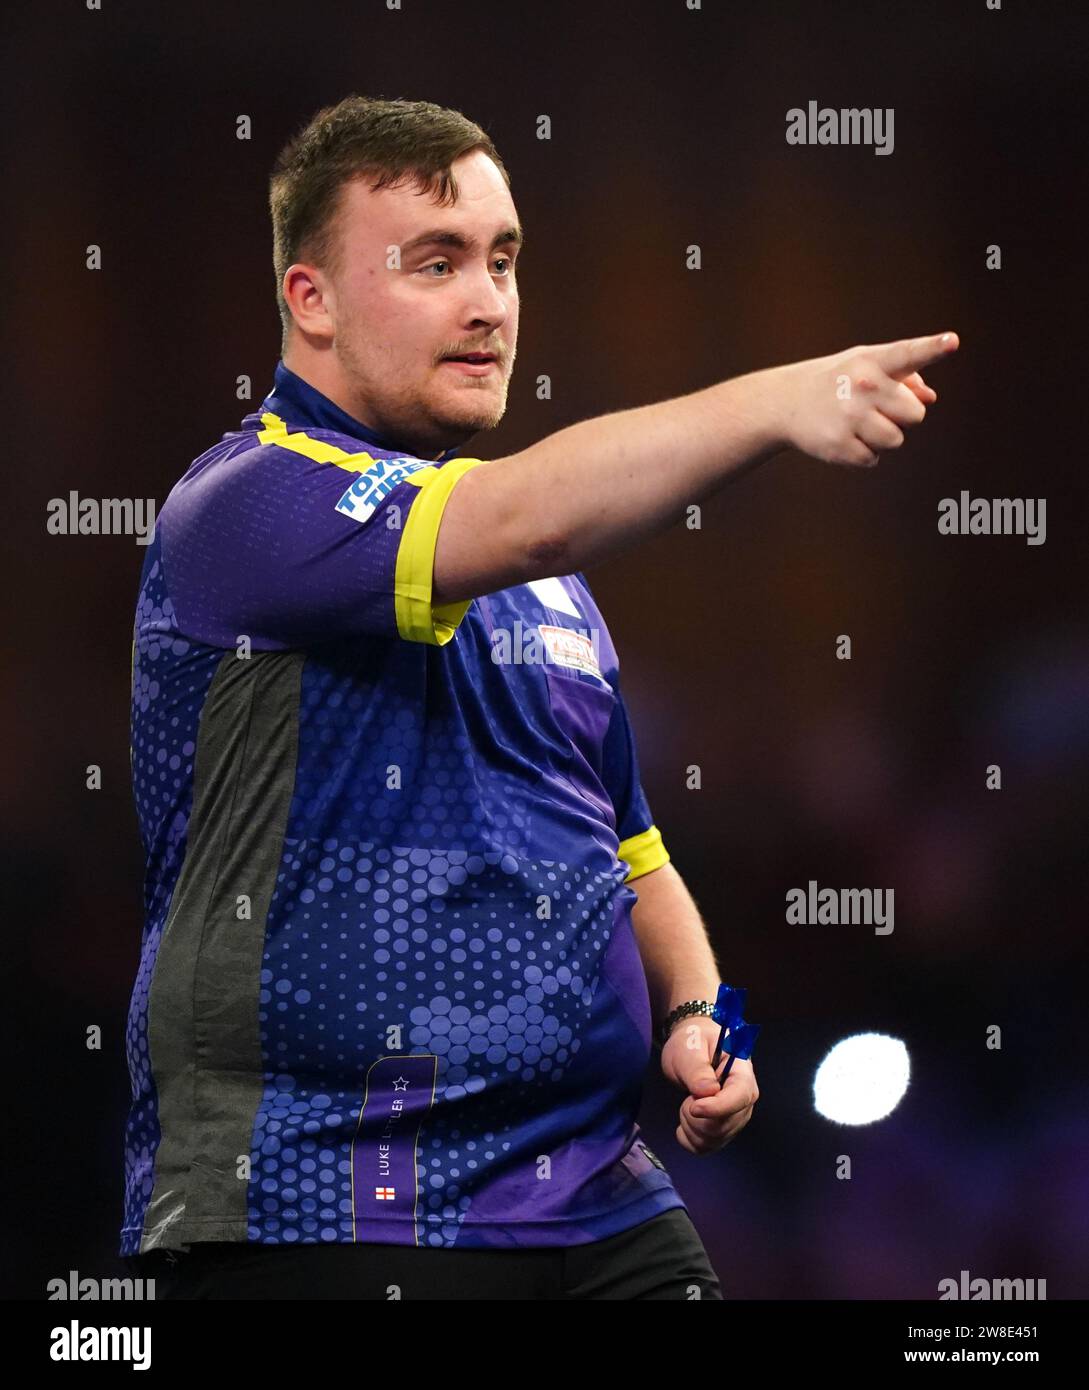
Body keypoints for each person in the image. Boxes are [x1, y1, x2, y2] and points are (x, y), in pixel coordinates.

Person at [120, 94, 958, 1301]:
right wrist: (774, 401)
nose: (488, 302)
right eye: (435, 261)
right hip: (326, 1202)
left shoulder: (550, 590)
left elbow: (631, 845)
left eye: (504, 261)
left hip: (595, 1196)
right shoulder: (244, 505)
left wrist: (698, 1014)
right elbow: (522, 509)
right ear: (310, 300)